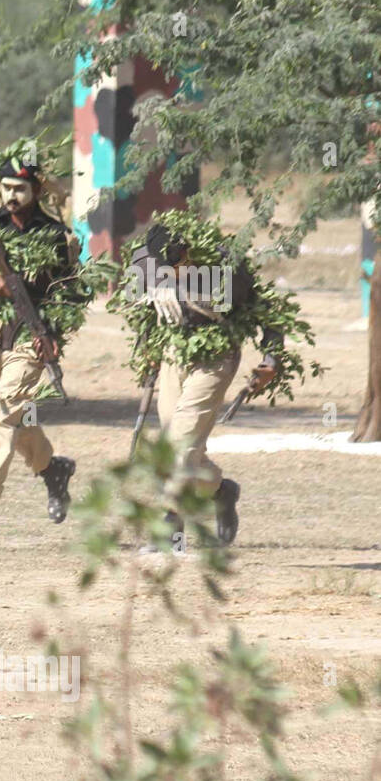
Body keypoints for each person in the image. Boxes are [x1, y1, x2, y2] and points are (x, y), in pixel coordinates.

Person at [124, 219, 293, 545]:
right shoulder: (148, 262)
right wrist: (149, 340)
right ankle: (221, 491)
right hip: (175, 354)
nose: (169, 274)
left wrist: (270, 361)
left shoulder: (227, 269)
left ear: (188, 252)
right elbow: (142, 286)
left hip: (216, 357)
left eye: (174, 265)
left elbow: (267, 313)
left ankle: (170, 525)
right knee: (179, 442)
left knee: (180, 442)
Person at [0, 154, 83, 546]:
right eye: (6, 188)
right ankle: (52, 470)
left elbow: (71, 290)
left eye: (19, 189)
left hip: (32, 335)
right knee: (8, 413)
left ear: (36, 190)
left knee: (3, 417)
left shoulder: (56, 234)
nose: (11, 196)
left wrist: (53, 331)